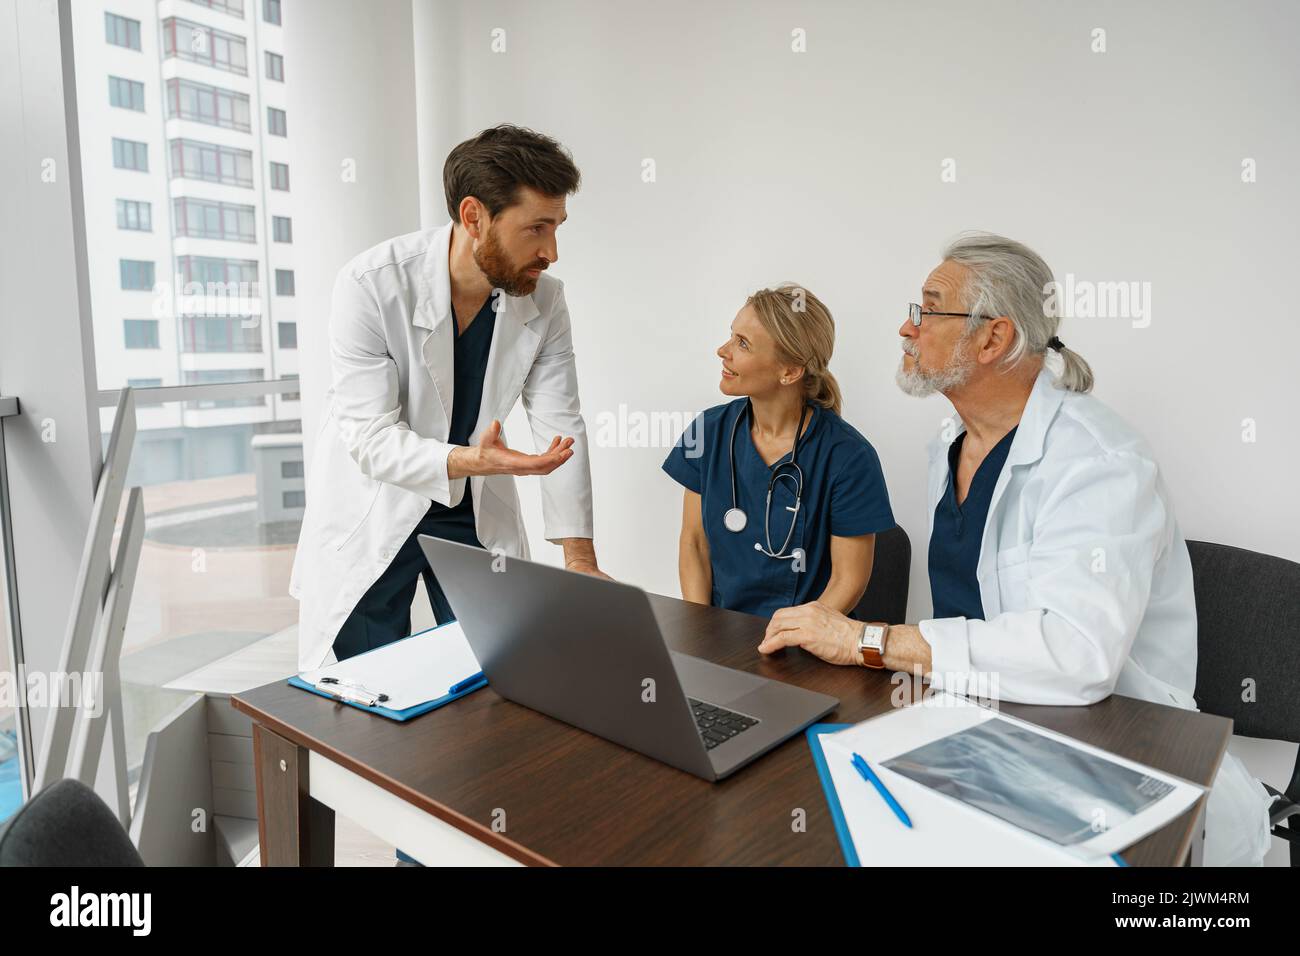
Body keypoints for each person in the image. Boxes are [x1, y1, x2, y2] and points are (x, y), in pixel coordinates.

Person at [757, 232, 1273, 866]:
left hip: (1116, 754)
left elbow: (1077, 656)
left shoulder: (1099, 461)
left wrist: (869, 640)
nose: (906, 327)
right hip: (987, 735)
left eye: (927, 309)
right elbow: (972, 622)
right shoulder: (950, 446)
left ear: (992, 339)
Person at [291, 125, 606, 677]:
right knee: (368, 690)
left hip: (471, 512)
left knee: (490, 677)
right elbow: (369, 440)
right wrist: (471, 460)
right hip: (376, 504)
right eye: (536, 229)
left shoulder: (545, 301)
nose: (551, 253)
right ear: (473, 216)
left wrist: (579, 559)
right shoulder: (371, 285)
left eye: (556, 228)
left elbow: (561, 424)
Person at [662, 284, 895, 620]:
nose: (722, 350)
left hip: (811, 645)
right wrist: (702, 630)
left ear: (790, 371)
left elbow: (849, 580)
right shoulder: (708, 432)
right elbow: (694, 543)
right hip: (721, 634)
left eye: (742, 343)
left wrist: (792, 637)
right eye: (732, 336)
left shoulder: (848, 457)